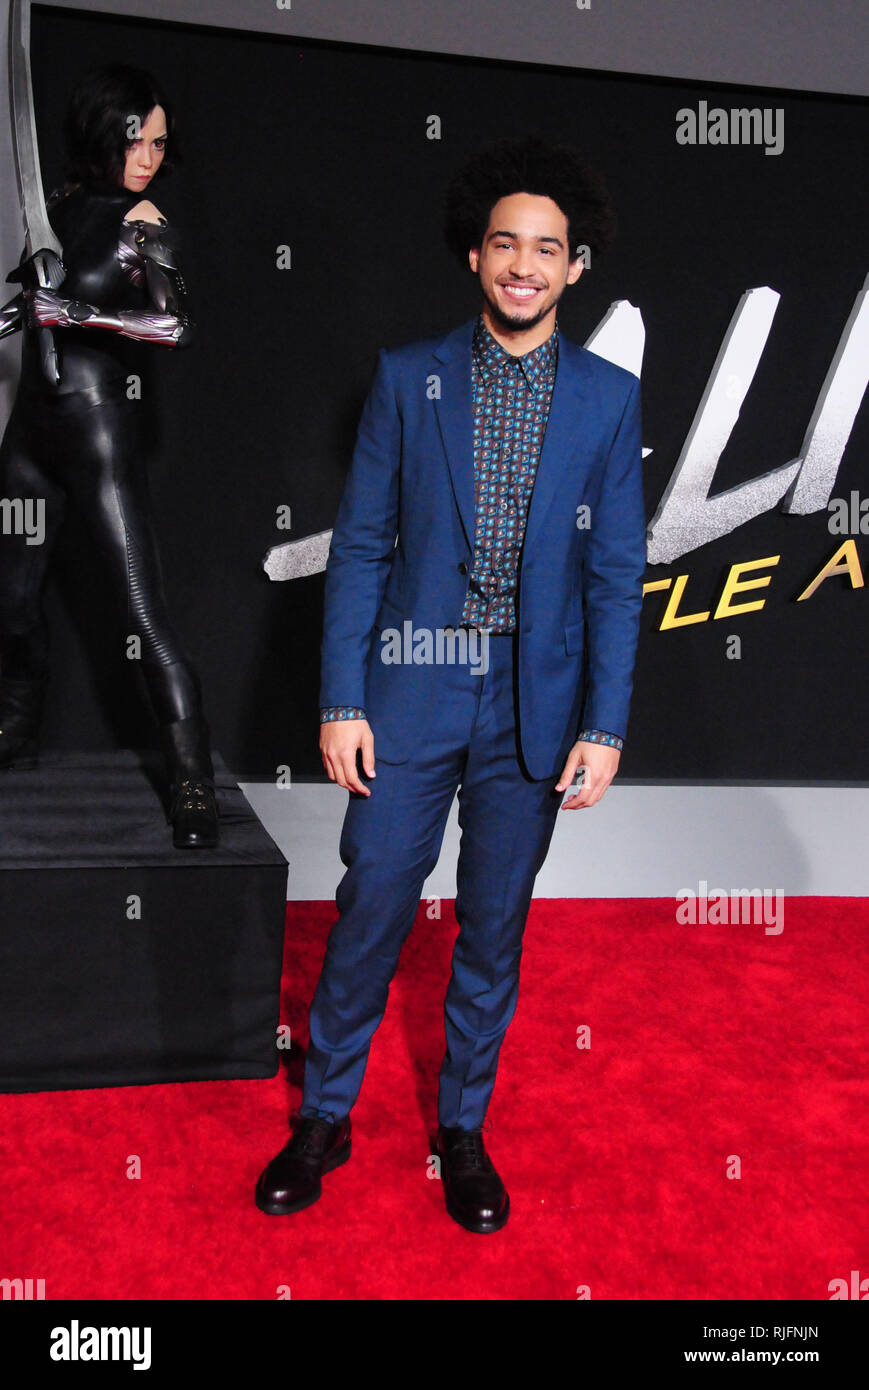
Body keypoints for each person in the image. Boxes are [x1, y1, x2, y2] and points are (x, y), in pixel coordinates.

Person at [256, 135, 646, 1229]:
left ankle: (461, 1129)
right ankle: (323, 1115)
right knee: (372, 899)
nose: (524, 264)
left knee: (491, 923)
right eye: (506, 243)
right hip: (414, 685)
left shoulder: (609, 402)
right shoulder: (403, 378)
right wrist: (341, 700)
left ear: (575, 269)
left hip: (535, 701)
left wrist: (604, 724)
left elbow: (616, 574)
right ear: (476, 255)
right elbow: (363, 548)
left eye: (548, 249)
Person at [0, 63, 218, 849]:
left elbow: (176, 327)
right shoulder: (56, 208)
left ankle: (191, 782)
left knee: (142, 616)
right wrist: (22, 310)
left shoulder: (143, 219)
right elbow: (27, 304)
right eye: (135, 140)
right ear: (103, 135)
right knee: (13, 606)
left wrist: (80, 311)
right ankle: (14, 733)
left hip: (97, 431)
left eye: (159, 142)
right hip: (28, 436)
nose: (148, 156)